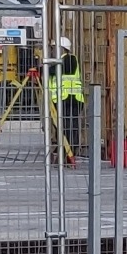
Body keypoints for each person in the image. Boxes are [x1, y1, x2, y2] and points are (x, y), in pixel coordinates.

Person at [49, 35, 86, 163]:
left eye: (54, 48)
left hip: (71, 100)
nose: (52, 51)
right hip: (63, 100)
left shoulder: (70, 59)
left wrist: (44, 67)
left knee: (69, 128)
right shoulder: (59, 61)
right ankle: (64, 152)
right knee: (63, 128)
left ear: (62, 48)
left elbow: (54, 70)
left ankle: (69, 153)